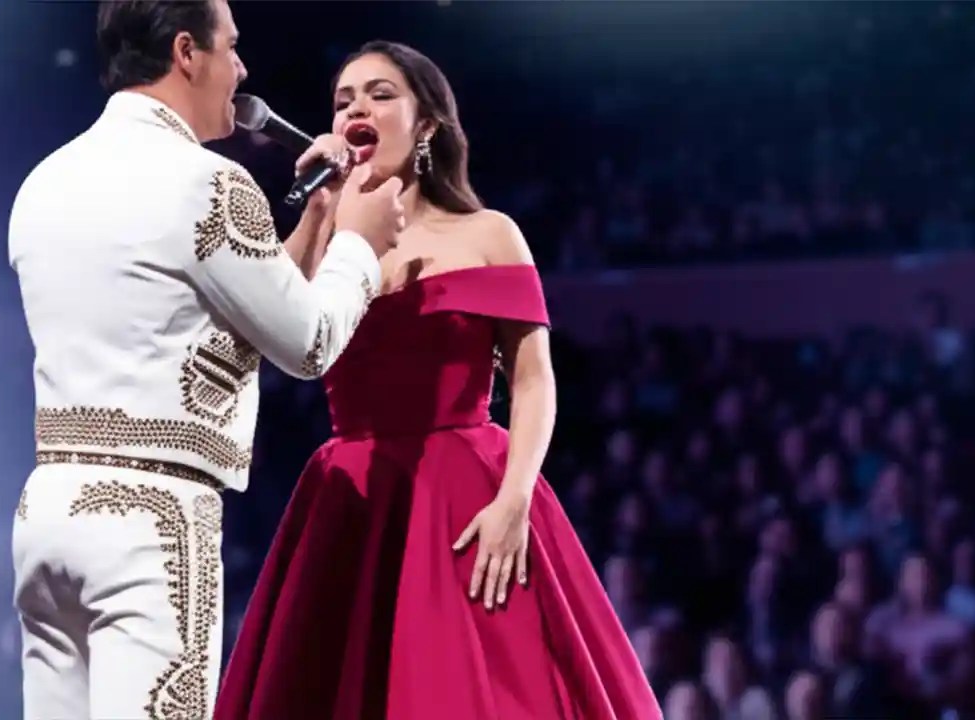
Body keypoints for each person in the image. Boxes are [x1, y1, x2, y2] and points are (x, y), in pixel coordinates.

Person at [214, 40, 661, 720]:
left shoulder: (488, 233)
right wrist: (317, 211)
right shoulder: (336, 240)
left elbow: (535, 381)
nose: (356, 107)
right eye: (343, 101)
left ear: (426, 126)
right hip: (354, 496)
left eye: (379, 94)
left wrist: (514, 501)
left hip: (466, 492)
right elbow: (274, 329)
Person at [7, 2, 404, 718]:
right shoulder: (210, 183)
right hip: (152, 523)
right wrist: (360, 244)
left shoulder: (42, 182)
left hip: (48, 511)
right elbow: (309, 342)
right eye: (233, 47)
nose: (243, 69)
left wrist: (316, 219)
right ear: (187, 52)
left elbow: (232, 327)